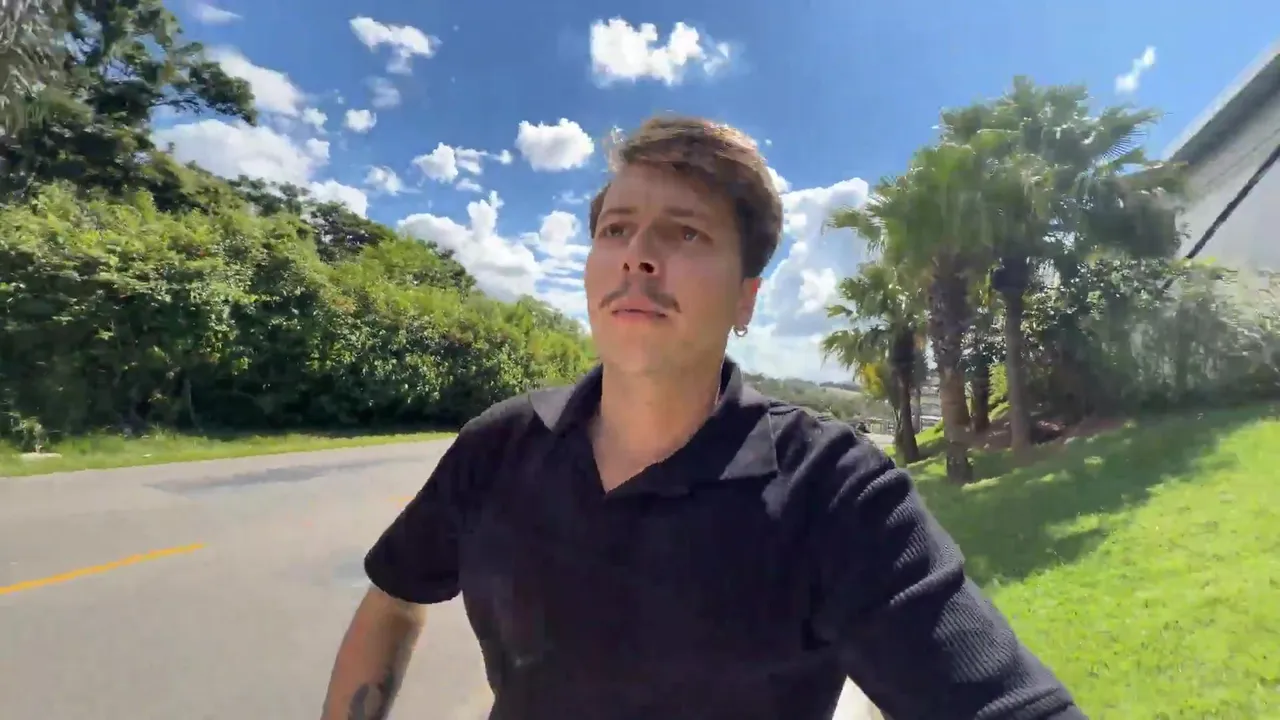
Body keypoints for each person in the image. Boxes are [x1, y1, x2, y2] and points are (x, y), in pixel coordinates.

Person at [318, 115, 1087, 720]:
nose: (637, 255)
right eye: (615, 229)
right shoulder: (500, 444)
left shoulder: (834, 493)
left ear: (746, 299)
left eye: (685, 232)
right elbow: (393, 601)